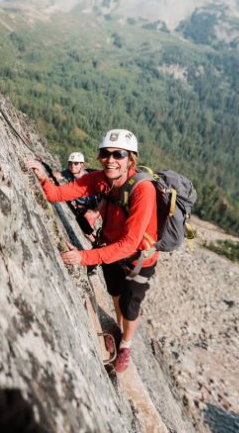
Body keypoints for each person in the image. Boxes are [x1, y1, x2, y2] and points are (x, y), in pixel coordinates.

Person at [27, 129, 157, 373]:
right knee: (115, 295)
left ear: (131, 159)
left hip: (138, 260)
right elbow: (59, 194)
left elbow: (130, 243)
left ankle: (126, 344)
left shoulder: (143, 190)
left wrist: (84, 257)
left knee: (130, 306)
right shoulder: (99, 179)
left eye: (119, 154)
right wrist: (43, 178)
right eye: (105, 154)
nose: (111, 159)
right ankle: (118, 329)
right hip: (110, 250)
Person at [52, 152, 100, 240]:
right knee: (87, 230)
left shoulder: (88, 179)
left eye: (76, 163)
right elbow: (58, 175)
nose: (73, 166)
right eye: (70, 163)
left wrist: (94, 212)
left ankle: (98, 244)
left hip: (91, 208)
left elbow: (97, 199)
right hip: (80, 207)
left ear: (82, 165)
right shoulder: (70, 172)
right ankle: (98, 242)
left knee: (86, 230)